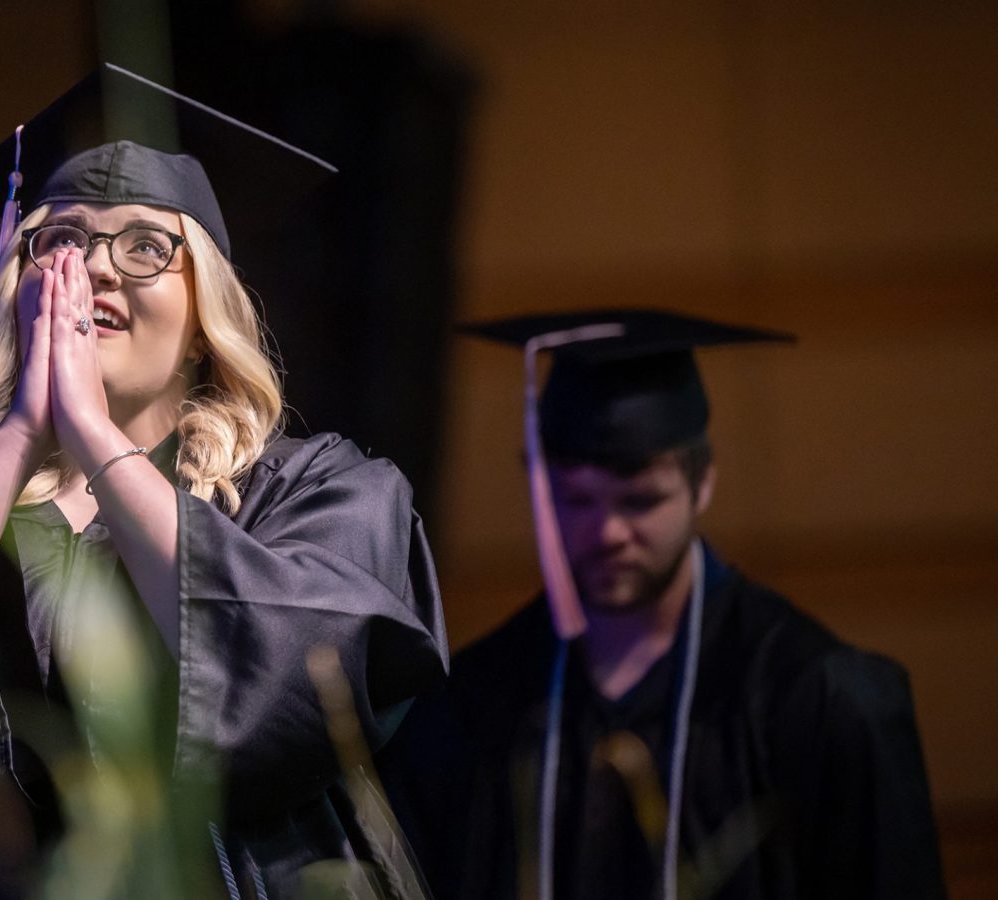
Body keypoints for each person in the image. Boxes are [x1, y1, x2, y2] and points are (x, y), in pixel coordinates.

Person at [0, 64, 446, 899]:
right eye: (62, 241)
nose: (97, 269)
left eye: (148, 246)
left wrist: (94, 435)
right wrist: (23, 433)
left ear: (205, 324)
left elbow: (296, 694)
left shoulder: (315, 491)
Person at [379, 309, 945, 900]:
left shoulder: (819, 701)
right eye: (577, 499)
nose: (608, 532)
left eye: (641, 499)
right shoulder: (469, 710)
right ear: (537, 480)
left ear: (703, 483)